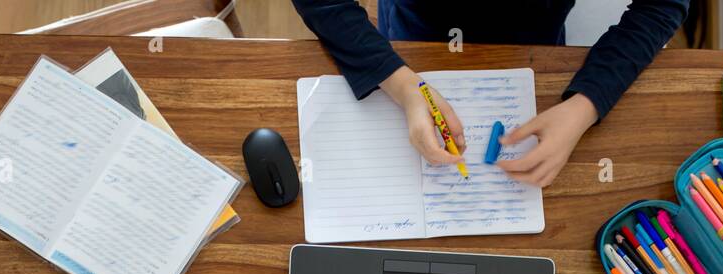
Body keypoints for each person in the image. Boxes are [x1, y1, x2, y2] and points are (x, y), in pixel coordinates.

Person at [291, 1, 690, 186]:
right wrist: (401, 84)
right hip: (416, 39)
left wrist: (585, 105)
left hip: (535, 44)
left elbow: (662, 6)